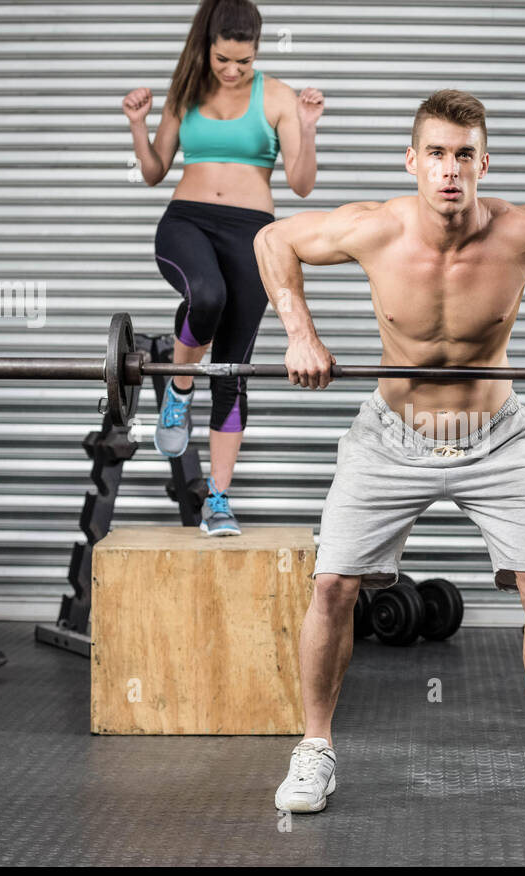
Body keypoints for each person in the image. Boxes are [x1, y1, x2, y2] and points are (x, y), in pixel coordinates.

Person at [254, 89, 525, 815]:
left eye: (464, 154)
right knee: (333, 585)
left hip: (495, 434)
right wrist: (297, 332)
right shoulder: (374, 229)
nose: (450, 169)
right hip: (390, 434)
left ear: (484, 162)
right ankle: (315, 748)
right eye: (436, 154)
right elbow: (271, 241)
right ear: (412, 161)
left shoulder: (521, 232)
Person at [121, 0, 324, 535]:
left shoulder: (277, 96)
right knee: (205, 296)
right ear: (206, 46)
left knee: (232, 373)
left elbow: (302, 184)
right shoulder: (185, 90)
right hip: (186, 222)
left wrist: (307, 125)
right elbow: (153, 171)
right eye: (222, 59)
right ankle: (179, 390)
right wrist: (138, 126)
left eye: (244, 61)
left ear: (257, 52)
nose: (233, 70)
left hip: (253, 236)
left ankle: (218, 499)